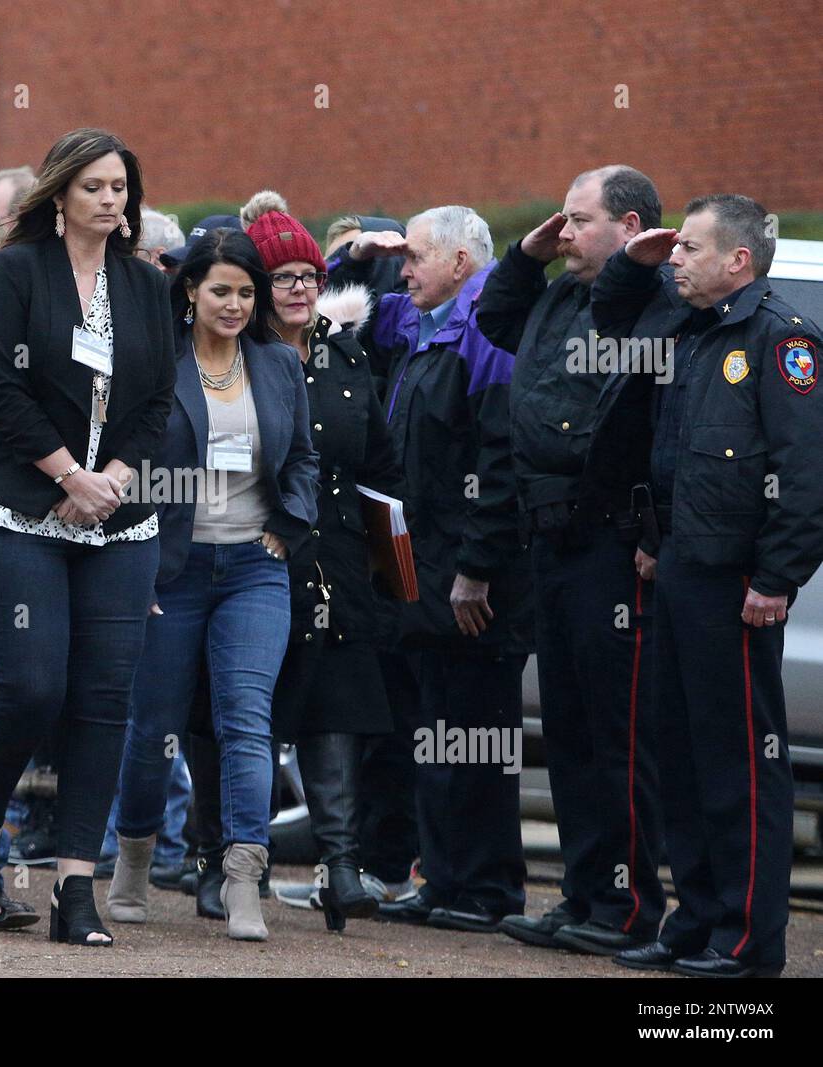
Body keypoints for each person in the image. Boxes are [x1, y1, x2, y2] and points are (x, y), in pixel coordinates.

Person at [0, 128, 175, 946]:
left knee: (104, 698)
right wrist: (66, 475)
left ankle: (76, 885)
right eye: (94, 187)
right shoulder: (16, 272)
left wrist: (112, 476)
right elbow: (1, 390)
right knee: (34, 685)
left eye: (120, 186)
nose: (110, 200)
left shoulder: (149, 288)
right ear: (60, 197)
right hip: (18, 507)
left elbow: (158, 404)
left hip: (119, 519)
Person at [593, 195, 823, 978]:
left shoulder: (780, 339)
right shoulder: (689, 334)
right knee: (682, 754)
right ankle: (692, 921)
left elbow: (806, 474)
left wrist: (777, 578)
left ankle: (745, 939)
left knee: (740, 763)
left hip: (739, 587)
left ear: (739, 261)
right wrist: (655, 545)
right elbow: (670, 456)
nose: (676, 258)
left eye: (690, 247)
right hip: (681, 572)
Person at [475, 165, 666, 955]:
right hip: (548, 539)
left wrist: (622, 266)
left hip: (610, 544)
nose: (565, 231)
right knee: (571, 730)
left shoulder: (648, 301)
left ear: (629, 229)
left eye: (579, 220)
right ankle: (585, 896)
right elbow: (494, 315)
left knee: (616, 734)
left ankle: (626, 906)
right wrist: (526, 251)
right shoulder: (556, 296)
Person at [108, 227, 319, 942]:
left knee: (246, 717)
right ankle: (134, 858)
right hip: (172, 569)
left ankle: (243, 876)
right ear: (190, 292)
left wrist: (289, 526)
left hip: (255, 570)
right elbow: (122, 463)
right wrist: (137, 561)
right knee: (154, 727)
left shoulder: (277, 364)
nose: (235, 303)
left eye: (246, 292)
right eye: (221, 289)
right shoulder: (155, 364)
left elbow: (304, 461)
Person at [350, 205, 532, 932]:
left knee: (476, 734)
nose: (406, 268)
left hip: (469, 582)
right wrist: (361, 253)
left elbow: (500, 459)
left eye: (418, 256)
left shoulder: (485, 328)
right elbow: (339, 310)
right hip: (417, 569)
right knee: (433, 734)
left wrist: (477, 568)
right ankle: (444, 878)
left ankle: (485, 888)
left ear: (462, 261)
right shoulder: (424, 321)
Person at [240, 195, 398, 932]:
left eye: (310, 273)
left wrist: (391, 553)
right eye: (283, 277)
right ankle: (232, 858)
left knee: (336, 704)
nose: (301, 287)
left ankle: (338, 861)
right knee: (251, 706)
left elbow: (379, 460)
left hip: (338, 555)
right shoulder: (236, 359)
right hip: (258, 548)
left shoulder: (345, 356)